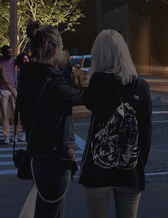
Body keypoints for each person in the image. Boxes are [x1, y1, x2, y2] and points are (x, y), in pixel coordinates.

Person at [79, 30, 153, 218]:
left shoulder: (96, 83)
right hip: (130, 171)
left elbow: (88, 101)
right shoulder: (142, 86)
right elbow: (146, 133)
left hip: (96, 172)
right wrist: (138, 163)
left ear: (98, 56)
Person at [19, 26, 85, 218]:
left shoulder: (27, 77)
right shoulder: (54, 83)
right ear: (55, 49)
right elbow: (84, 98)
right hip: (55, 161)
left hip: (37, 158)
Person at [0, 44, 20, 145]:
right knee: (5, 115)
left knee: (15, 113)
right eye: (9, 52)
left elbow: (23, 60)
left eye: (12, 52)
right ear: (4, 53)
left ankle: (15, 134)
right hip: (3, 90)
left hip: (13, 89)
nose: (11, 54)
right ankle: (6, 136)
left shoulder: (13, 61)